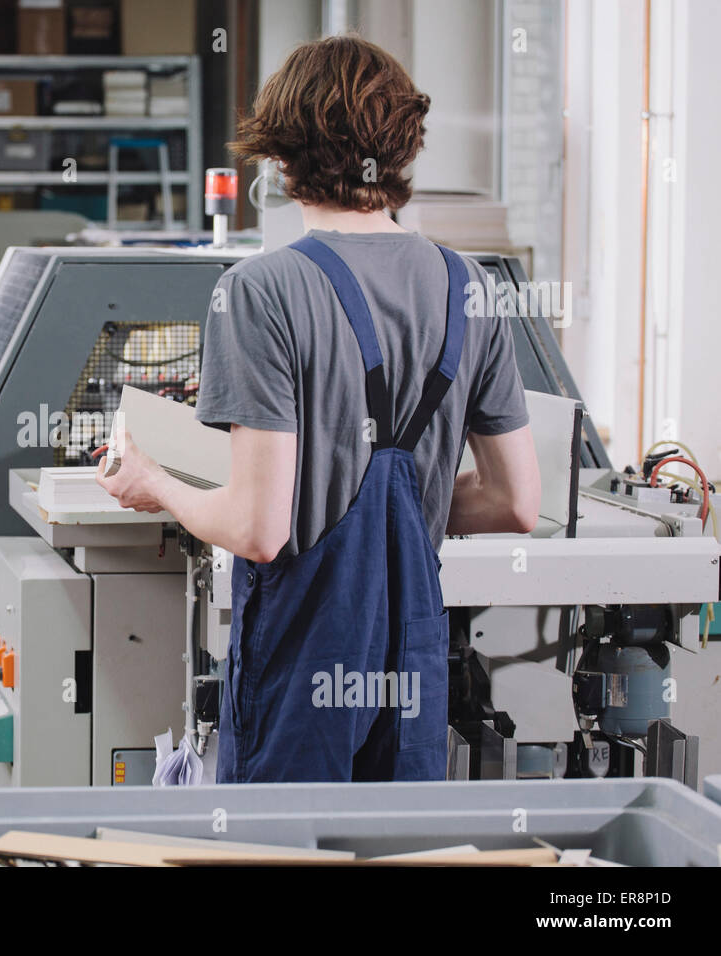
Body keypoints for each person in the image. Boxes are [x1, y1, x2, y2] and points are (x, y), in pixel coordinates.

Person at [96, 35, 541, 783]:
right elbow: (515, 502)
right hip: (412, 664)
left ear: (282, 157)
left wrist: (155, 483)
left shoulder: (262, 289)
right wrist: (390, 496)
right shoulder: (471, 285)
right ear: (401, 150)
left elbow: (258, 531)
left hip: (305, 668)